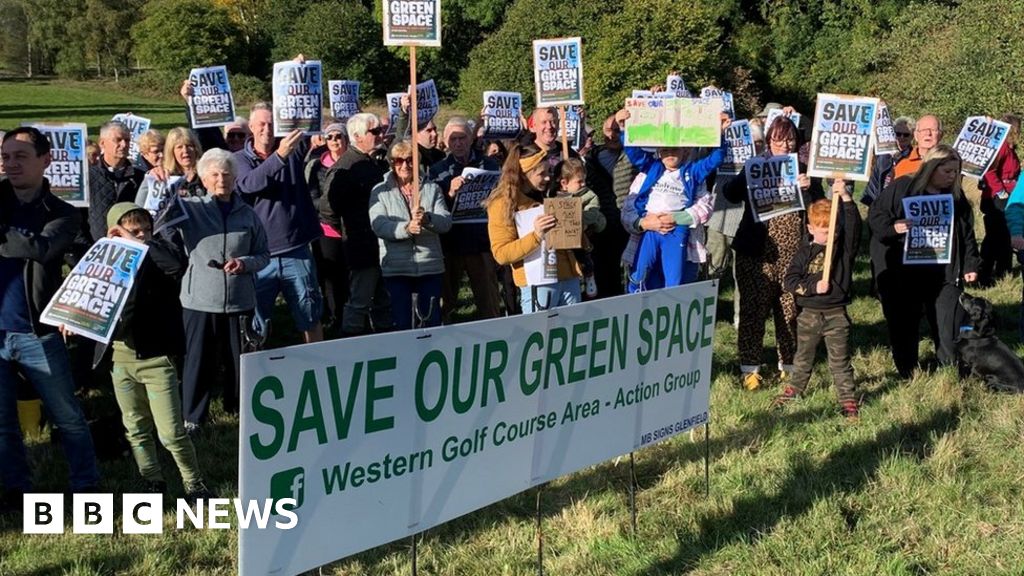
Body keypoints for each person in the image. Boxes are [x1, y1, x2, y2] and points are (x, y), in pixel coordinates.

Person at [0, 127, 100, 506]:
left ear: (46, 160)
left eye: (20, 156)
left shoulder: (63, 213)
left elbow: (41, 249)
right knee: (3, 423)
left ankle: (86, 487)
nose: (10, 164)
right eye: (5, 156)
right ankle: (16, 490)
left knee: (68, 417)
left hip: (37, 331)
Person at [99, 202, 213, 500]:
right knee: (135, 426)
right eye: (133, 230)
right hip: (121, 358)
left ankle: (194, 483)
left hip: (157, 359)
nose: (141, 235)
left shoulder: (158, 256)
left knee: (172, 432)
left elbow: (176, 266)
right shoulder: (104, 261)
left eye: (146, 230)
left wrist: (139, 243)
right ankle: (152, 482)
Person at [170, 148, 269, 432]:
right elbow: (158, 214)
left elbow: (263, 254)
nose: (221, 179)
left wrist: (245, 263)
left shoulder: (248, 214)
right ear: (203, 179)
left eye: (226, 174)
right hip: (200, 300)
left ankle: (238, 407)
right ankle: (193, 416)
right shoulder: (192, 209)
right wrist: (162, 183)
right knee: (198, 360)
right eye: (214, 174)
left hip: (240, 299)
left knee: (239, 360)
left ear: (235, 178)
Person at [723, 115, 824, 390]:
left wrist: (809, 189)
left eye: (790, 139)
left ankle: (788, 366)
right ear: (769, 141)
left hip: (794, 253)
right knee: (753, 310)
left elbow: (820, 209)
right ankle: (750, 369)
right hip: (757, 252)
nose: (785, 145)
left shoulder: (803, 170)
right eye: (779, 139)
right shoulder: (755, 165)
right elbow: (730, 194)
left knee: (790, 310)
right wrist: (748, 175)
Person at [869, 145, 980, 377]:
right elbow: (876, 217)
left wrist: (970, 263)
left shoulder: (956, 198)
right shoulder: (902, 187)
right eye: (947, 171)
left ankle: (948, 373)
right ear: (931, 168)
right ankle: (908, 372)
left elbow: (966, 233)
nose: (952, 176)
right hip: (904, 272)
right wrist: (894, 227)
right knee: (904, 324)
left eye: (956, 171)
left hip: (944, 272)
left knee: (948, 324)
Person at [235, 99, 324, 344]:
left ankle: (319, 360)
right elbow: (249, 184)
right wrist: (280, 155)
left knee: (310, 314)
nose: (267, 129)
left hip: (296, 250)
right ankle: (257, 362)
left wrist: (297, 77)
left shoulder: (292, 148)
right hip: (258, 255)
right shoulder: (239, 159)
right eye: (261, 124)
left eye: (272, 123)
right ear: (251, 126)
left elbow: (307, 118)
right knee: (256, 322)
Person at [616, 109, 730, 289]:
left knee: (674, 281)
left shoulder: (693, 172)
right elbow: (634, 153)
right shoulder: (651, 168)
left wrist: (720, 134)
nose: (670, 154)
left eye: (674, 149)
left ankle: (673, 301)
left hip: (677, 228)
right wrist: (624, 130)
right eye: (665, 150)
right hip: (650, 227)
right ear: (659, 152)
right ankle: (634, 299)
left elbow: (715, 160)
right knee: (639, 276)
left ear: (684, 151)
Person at [774, 188, 861, 418]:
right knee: (803, 357)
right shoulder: (804, 253)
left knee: (840, 361)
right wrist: (813, 287)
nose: (830, 235)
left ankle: (848, 400)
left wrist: (846, 199)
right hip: (809, 315)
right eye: (824, 231)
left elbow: (854, 228)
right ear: (811, 229)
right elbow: (789, 281)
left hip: (836, 314)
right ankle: (795, 389)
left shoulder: (842, 251)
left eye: (833, 230)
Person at [485, 142, 581, 313]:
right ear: (523, 174)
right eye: (541, 174)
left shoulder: (549, 194)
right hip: (537, 283)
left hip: (568, 277)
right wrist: (536, 236)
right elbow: (502, 254)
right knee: (540, 330)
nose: (548, 178)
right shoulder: (502, 203)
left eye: (548, 172)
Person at [370, 140, 452, 329]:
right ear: (392, 163)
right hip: (397, 268)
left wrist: (428, 219)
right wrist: (405, 229)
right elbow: (379, 225)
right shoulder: (380, 191)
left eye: (410, 160)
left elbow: (446, 222)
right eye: (399, 161)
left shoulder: (432, 189)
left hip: (429, 265)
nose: (405, 165)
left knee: (431, 320)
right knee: (402, 322)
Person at [428, 117, 503, 322]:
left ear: (471, 139)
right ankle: (443, 331)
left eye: (462, 138)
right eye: (453, 139)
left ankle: (494, 331)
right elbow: (433, 206)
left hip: (481, 242)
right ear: (446, 142)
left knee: (488, 298)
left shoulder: (489, 164)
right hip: (451, 243)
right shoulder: (438, 170)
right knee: (447, 299)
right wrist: (450, 192)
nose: (458, 143)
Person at [327, 113, 394, 337]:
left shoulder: (375, 161)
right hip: (362, 245)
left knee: (383, 298)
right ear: (357, 136)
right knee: (360, 299)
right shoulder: (345, 168)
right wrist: (353, 229)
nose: (380, 135)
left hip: (381, 242)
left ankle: (386, 337)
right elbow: (328, 209)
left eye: (380, 130)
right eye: (374, 131)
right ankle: (351, 341)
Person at [583, 114, 636, 298]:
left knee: (626, 269)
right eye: (608, 130)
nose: (612, 135)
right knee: (602, 270)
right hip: (601, 222)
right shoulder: (592, 157)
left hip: (626, 220)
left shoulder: (631, 155)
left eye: (617, 130)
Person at [305, 121, 349, 332]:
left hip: (350, 229)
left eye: (338, 136)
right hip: (326, 229)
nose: (334, 140)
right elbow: (312, 195)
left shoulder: (354, 162)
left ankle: (349, 314)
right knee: (329, 276)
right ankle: (333, 315)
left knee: (348, 275)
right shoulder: (316, 165)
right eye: (329, 137)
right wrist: (329, 210)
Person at [977, 114, 1021, 287]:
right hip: (997, 198)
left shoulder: (1010, 148)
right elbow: (989, 170)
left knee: (1003, 236)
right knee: (994, 237)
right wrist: (999, 190)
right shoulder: (1000, 147)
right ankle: (984, 273)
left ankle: (1003, 272)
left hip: (1006, 194)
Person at [88, 120, 145, 242]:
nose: (124, 144)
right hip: (94, 246)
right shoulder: (88, 176)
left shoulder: (140, 177)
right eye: (118, 140)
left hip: (131, 246)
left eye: (127, 140)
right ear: (102, 143)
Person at [557, 158, 606, 296]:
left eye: (584, 180)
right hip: (563, 240)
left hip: (581, 233)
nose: (583, 184)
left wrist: (577, 217)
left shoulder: (588, 195)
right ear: (564, 183)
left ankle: (589, 275)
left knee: (584, 255)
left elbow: (592, 213)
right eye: (579, 181)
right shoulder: (556, 196)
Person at [135, 128, 205, 207]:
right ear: (171, 151)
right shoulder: (162, 176)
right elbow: (139, 208)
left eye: (189, 145)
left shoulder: (206, 171)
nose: (185, 150)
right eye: (179, 147)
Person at [863, 116, 914, 206]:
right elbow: (874, 180)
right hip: (879, 201)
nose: (901, 137)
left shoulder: (913, 156)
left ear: (912, 136)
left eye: (906, 134)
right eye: (898, 134)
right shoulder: (882, 155)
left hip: (900, 203)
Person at [893, 115, 943, 179]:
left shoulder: (949, 162)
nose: (928, 133)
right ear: (916, 135)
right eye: (923, 130)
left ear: (940, 135)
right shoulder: (902, 165)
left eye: (933, 130)